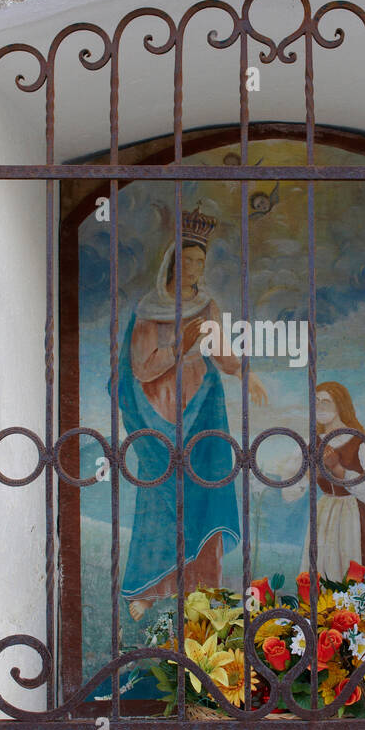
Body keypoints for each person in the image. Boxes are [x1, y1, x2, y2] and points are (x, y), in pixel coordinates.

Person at [116, 210, 267, 620]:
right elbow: (142, 367)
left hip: (204, 410)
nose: (195, 269)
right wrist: (179, 346)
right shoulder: (149, 310)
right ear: (172, 264)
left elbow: (218, 349)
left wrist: (243, 372)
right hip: (159, 415)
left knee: (208, 493)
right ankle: (149, 588)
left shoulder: (207, 305)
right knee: (161, 496)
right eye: (188, 262)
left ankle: (207, 587)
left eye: (201, 263)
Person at [284, 380, 365, 589]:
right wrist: (311, 475)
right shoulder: (311, 443)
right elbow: (289, 493)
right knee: (325, 572)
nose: (320, 406)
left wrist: (338, 470)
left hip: (358, 515)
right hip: (325, 515)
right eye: (316, 401)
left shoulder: (361, 442)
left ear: (340, 405)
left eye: (326, 401)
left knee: (356, 576)